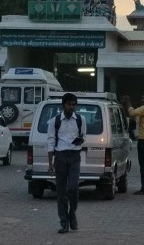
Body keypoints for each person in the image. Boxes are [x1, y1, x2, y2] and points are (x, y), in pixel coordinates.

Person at [47, 92, 86, 233]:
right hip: (61, 157)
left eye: (74, 104)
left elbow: (83, 136)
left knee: (73, 188)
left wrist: (80, 140)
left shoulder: (80, 120)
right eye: (69, 104)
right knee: (61, 192)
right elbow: (51, 141)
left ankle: (72, 214)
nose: (71, 107)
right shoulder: (55, 121)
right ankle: (64, 222)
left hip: (75, 156)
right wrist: (50, 162)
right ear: (63, 105)